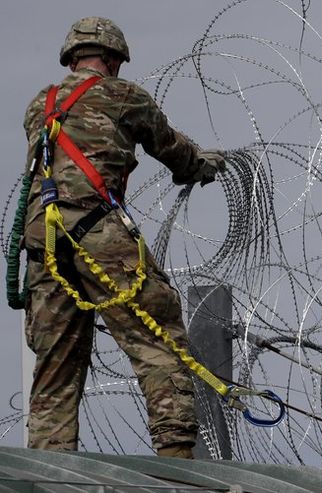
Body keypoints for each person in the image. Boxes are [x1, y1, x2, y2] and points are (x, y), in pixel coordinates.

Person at [21, 17, 225, 458]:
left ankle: (49, 469)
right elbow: (168, 146)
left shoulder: (42, 103)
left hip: (44, 243)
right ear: (114, 60)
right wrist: (199, 164)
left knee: (56, 366)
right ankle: (177, 457)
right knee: (157, 338)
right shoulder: (124, 95)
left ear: (71, 59)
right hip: (97, 231)